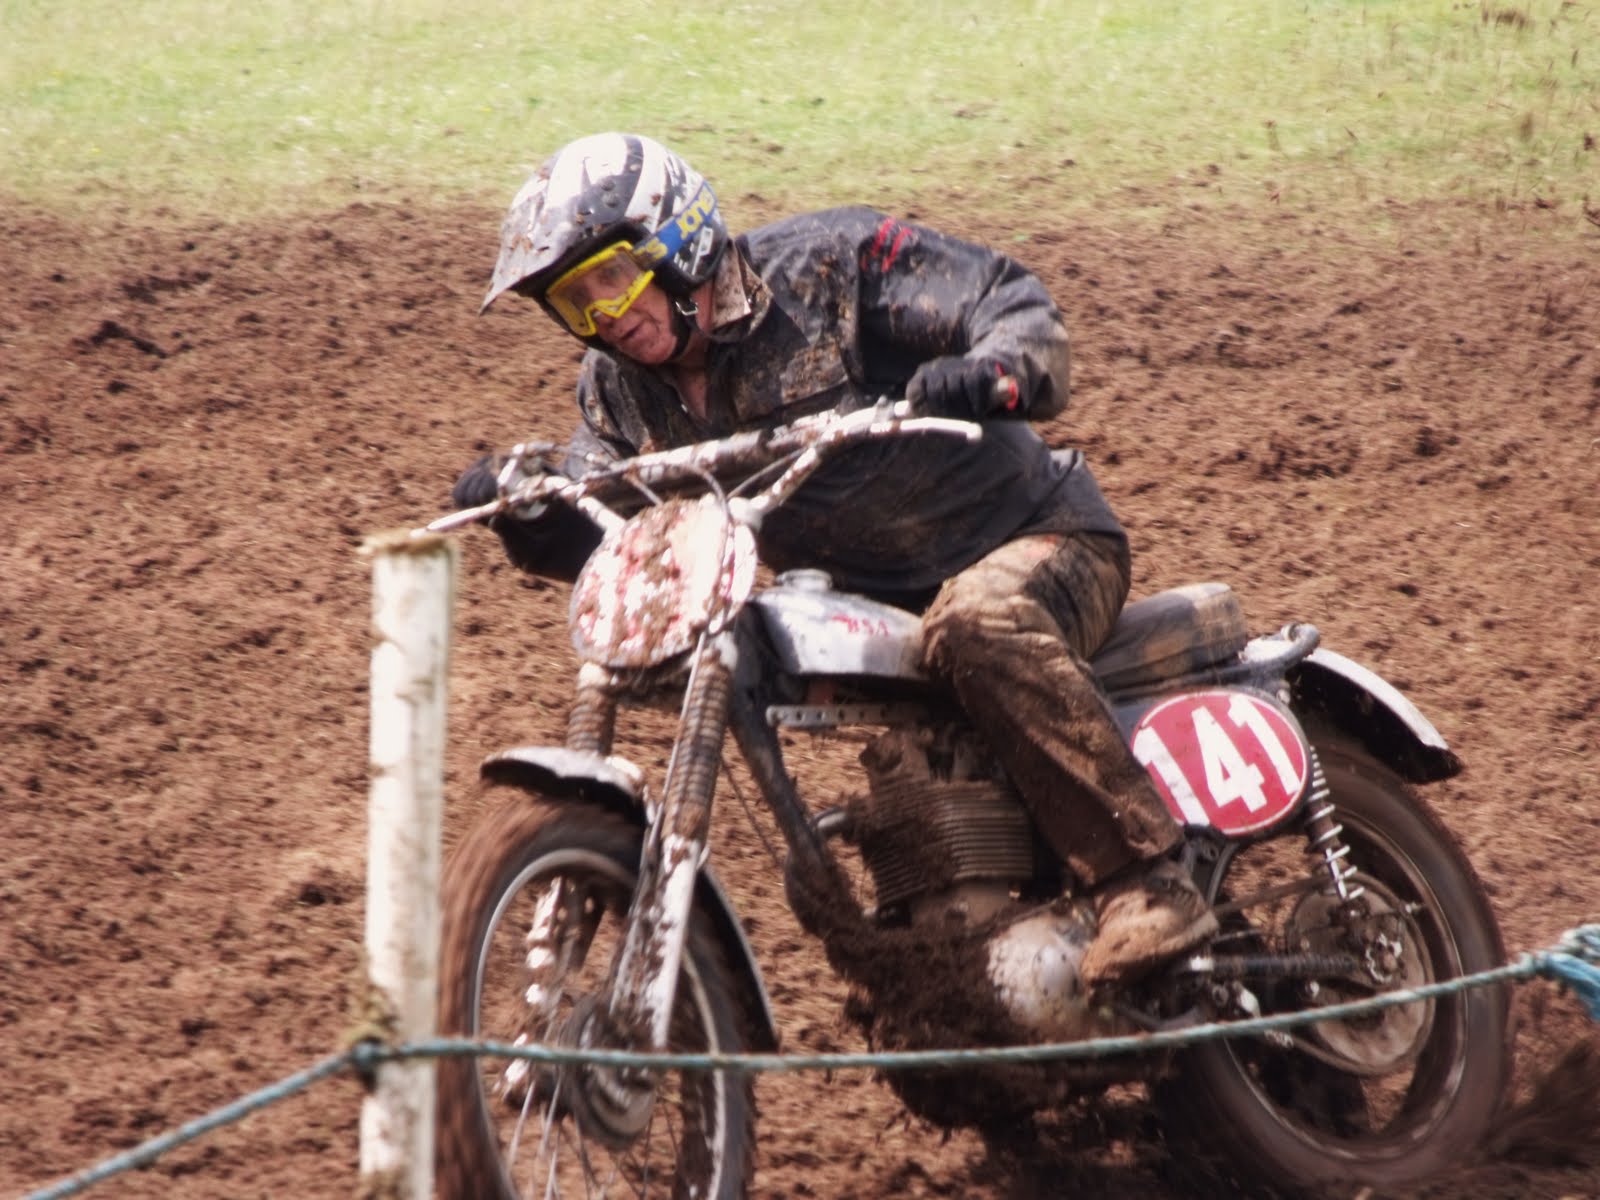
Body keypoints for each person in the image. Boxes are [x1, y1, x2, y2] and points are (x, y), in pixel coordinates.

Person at [454, 132, 1216, 984]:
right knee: (765, 654)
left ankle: (1147, 883)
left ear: (677, 241)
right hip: (880, 605)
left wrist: (991, 371)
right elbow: (606, 509)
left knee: (975, 625)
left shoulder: (831, 270)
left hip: (1037, 536)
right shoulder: (616, 391)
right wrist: (527, 512)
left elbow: (1009, 300)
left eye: (611, 279)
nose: (605, 316)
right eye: (576, 302)